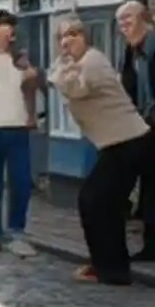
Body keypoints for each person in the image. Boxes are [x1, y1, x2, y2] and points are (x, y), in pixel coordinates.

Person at [48, 15, 152, 285]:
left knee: (97, 201)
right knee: (100, 202)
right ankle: (106, 264)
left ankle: (112, 269)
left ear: (86, 38)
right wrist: (64, 65)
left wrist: (63, 68)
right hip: (116, 142)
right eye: (62, 36)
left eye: (74, 34)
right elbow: (57, 77)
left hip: (129, 140)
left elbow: (76, 88)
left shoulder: (93, 61)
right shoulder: (76, 64)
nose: (68, 40)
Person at [0, 10, 42, 257]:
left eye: (10, 31)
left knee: (21, 184)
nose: (6, 36)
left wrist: (32, 114)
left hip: (17, 128)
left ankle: (16, 233)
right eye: (1, 30)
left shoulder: (21, 60)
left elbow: (33, 88)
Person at [116, 0, 155, 260]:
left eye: (128, 20)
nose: (123, 27)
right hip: (142, 125)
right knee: (150, 185)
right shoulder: (130, 52)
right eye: (120, 22)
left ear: (145, 19)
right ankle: (151, 246)